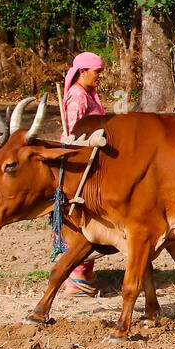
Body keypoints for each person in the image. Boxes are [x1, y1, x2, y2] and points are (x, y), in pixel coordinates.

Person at [58, 51, 106, 296]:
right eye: (97, 71)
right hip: (81, 165)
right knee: (83, 216)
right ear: (82, 72)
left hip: (93, 163)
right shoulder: (77, 97)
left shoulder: (88, 94)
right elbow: (76, 137)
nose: (100, 75)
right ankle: (75, 278)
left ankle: (81, 276)